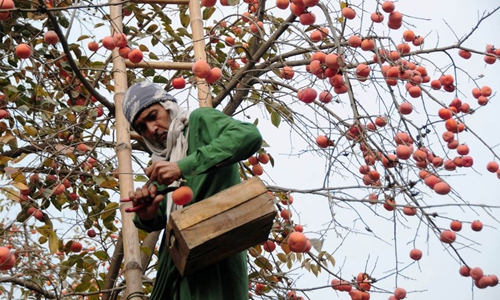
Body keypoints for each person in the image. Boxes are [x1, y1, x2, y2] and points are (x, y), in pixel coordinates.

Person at [122, 81, 263, 300]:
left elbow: (248, 135)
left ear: (168, 107)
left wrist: (183, 166)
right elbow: (162, 215)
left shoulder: (198, 121)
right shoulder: (163, 162)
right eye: (142, 127)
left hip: (215, 254)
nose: (151, 129)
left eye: (152, 116)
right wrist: (147, 215)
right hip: (176, 271)